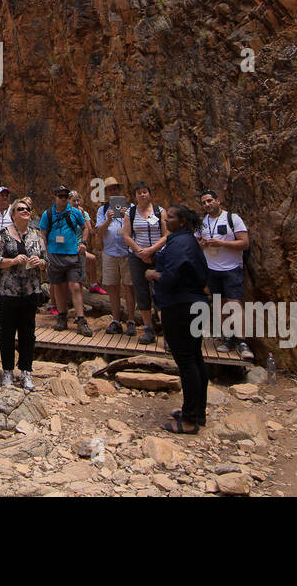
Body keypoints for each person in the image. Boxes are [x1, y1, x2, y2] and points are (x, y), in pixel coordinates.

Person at [145, 205, 210, 434]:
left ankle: (190, 420)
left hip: (181, 306)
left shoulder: (180, 243)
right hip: (194, 304)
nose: (166, 221)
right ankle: (197, 411)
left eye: (169, 218)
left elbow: (171, 276)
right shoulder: (187, 241)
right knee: (194, 358)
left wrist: (153, 274)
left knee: (186, 362)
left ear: (182, 221)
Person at [0, 197, 45, 390]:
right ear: (13, 214)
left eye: (28, 209)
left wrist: (40, 262)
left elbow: (46, 260)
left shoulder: (36, 234)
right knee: (6, 333)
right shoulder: (3, 235)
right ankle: (8, 372)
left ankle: (26, 372)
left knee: (28, 333)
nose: (25, 211)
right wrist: (12, 261)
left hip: (30, 291)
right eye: (20, 209)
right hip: (7, 291)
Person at [197, 189, 253, 360]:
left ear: (218, 201)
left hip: (231, 268)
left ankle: (242, 341)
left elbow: (244, 243)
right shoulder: (202, 222)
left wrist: (221, 243)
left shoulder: (232, 219)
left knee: (235, 303)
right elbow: (196, 244)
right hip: (212, 269)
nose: (207, 204)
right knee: (220, 305)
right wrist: (204, 244)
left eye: (209, 201)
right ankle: (228, 337)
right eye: (204, 202)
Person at [38, 185, 91, 336]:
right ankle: (62, 316)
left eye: (65, 197)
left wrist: (83, 243)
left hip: (72, 254)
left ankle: (81, 319)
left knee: (75, 286)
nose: (63, 199)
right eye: (60, 196)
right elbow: (43, 233)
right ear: (55, 197)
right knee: (59, 287)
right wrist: (45, 251)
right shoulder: (48, 214)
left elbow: (85, 228)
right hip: (54, 254)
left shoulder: (75, 212)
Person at [123, 180, 168, 345]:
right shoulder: (131, 213)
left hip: (158, 255)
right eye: (139, 192)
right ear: (135, 196)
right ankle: (148, 329)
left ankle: (167, 331)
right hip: (137, 257)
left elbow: (166, 234)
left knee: (161, 292)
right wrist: (140, 252)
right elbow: (127, 235)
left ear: (149, 193)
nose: (142, 195)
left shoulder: (160, 211)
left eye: (145, 191)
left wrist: (151, 250)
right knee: (141, 291)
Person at [94, 178, 136, 336]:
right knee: (112, 287)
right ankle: (116, 320)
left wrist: (127, 217)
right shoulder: (102, 210)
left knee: (129, 287)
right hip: (110, 253)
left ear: (119, 190)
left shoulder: (131, 208)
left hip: (127, 253)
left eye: (115, 189)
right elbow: (99, 232)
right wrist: (108, 220)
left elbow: (137, 230)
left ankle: (131, 321)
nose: (113, 192)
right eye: (109, 190)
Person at [68, 189, 104, 295]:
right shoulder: (66, 213)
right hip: (70, 246)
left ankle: (93, 285)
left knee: (92, 259)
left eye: (78, 200)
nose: (76, 203)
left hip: (81, 245)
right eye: (74, 201)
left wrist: (83, 217)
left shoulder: (84, 213)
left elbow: (90, 231)